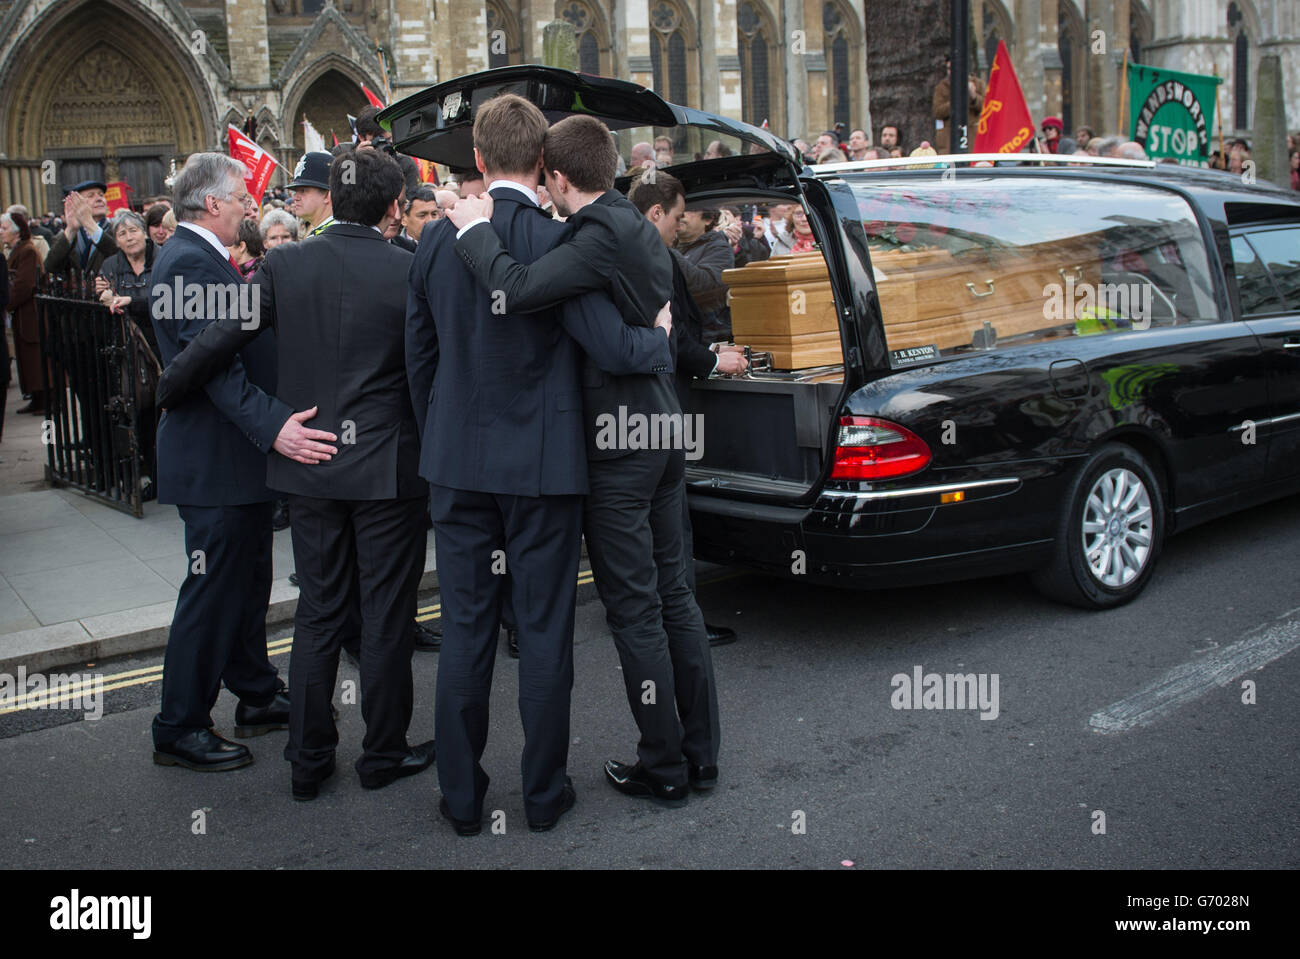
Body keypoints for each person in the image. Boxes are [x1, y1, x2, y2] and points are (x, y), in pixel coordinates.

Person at [406, 92, 675, 835]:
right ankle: (544, 797)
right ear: (545, 162)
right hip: (545, 469)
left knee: (464, 632)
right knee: (546, 633)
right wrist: (661, 340)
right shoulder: (562, 241)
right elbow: (604, 344)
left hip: (458, 465)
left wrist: (444, 440)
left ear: (481, 160)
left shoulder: (435, 241)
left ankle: (461, 802)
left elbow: (418, 360)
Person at [447, 116, 725, 804]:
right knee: (676, 595)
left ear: (558, 175)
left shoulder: (591, 236)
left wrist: (474, 230)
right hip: (660, 429)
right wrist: (652, 338)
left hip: (621, 448)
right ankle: (700, 753)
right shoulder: (637, 225)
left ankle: (663, 766)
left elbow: (516, 287)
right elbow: (656, 323)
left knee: (636, 611)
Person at [154, 148, 434, 801]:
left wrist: (170, 382)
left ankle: (308, 761)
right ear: (395, 206)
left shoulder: (281, 264)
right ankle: (381, 755)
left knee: (318, 611)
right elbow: (429, 372)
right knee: (387, 617)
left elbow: (216, 343)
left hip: (308, 467)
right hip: (389, 471)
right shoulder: (409, 269)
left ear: (331, 201)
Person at [148, 152, 335, 773]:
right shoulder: (185, 263)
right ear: (211, 204)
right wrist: (276, 427)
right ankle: (179, 725)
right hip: (215, 463)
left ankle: (254, 693)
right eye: (241, 197)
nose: (251, 206)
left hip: (237, 463)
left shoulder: (206, 259)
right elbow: (217, 374)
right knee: (212, 590)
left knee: (247, 582)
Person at [629, 172, 746, 647]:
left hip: (632, 416)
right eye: (676, 217)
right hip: (661, 405)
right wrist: (716, 359)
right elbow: (671, 336)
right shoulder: (654, 253)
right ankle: (684, 626)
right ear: (656, 213)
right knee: (671, 525)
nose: (679, 227)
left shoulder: (623, 246)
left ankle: (660, 619)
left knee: (654, 528)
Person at [94, 210, 160, 499]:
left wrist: (131, 300)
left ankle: (173, 476)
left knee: (167, 413)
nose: (129, 237)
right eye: (122, 233)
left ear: (144, 233)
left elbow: (168, 296)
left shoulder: (162, 257)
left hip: (161, 345)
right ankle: (150, 477)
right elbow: (100, 295)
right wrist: (106, 297)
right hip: (130, 351)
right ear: (116, 242)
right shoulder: (111, 265)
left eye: (133, 230)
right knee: (142, 414)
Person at [2, 212, 44, 414]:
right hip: (21, 312)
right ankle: (35, 398)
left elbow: (24, 284)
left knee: (35, 356)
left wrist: (7, 302)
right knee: (26, 356)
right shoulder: (16, 250)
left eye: (4, 228)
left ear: (16, 231)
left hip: (30, 311)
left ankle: (44, 398)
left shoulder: (27, 250)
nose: (1, 233)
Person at [674, 207, 735, 342]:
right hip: (680, 336)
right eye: (678, 209)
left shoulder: (719, 248)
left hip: (708, 337)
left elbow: (704, 287)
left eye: (689, 209)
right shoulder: (672, 247)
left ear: (708, 219)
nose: (681, 214)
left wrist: (667, 250)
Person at [44, 181, 118, 276]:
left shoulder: (118, 230)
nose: (99, 199)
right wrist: (71, 229)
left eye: (101, 195)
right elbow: (51, 267)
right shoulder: (65, 236)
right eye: (91, 196)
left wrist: (89, 223)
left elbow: (121, 258)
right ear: (75, 204)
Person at [288, 151, 335, 236]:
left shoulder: (334, 235)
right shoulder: (322, 232)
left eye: (303, 191)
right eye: (295, 191)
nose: (295, 197)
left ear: (327, 196)